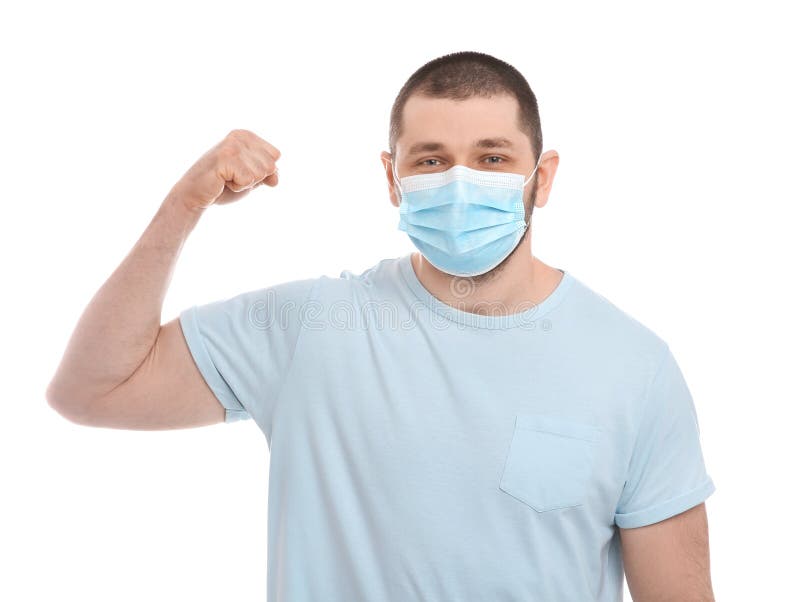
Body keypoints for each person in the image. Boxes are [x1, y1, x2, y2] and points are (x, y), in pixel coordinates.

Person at [46, 51, 716, 601]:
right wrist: (184, 204)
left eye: (491, 158)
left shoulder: (632, 368)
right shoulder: (310, 330)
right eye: (429, 160)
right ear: (392, 180)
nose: (459, 182)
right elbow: (91, 388)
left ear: (541, 179)